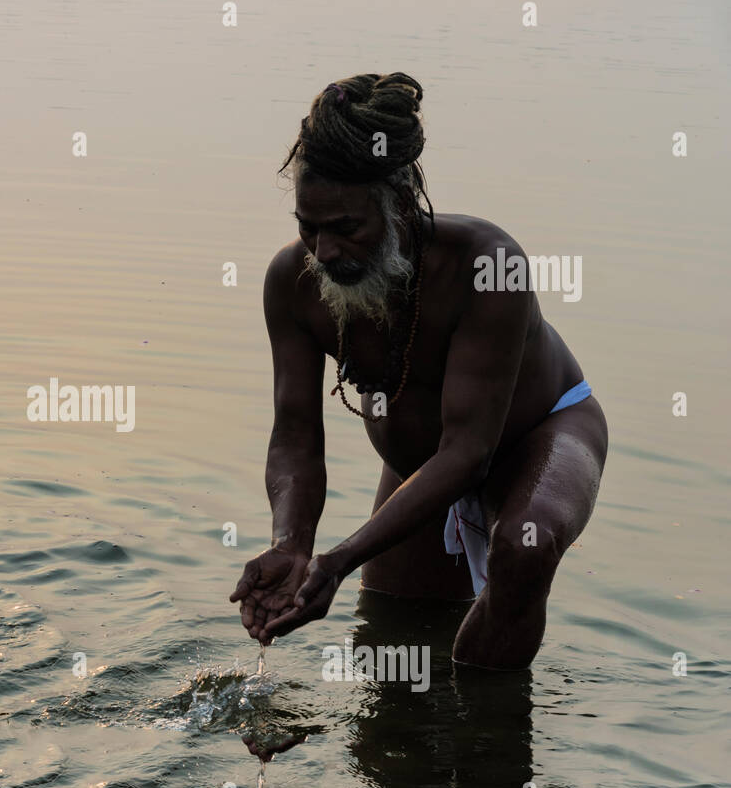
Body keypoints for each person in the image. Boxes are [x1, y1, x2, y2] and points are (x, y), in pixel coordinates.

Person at [230, 73, 607, 670]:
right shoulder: (291, 283)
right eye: (309, 225)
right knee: (390, 651)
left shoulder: (487, 263)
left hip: (536, 435)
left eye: (346, 228)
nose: (323, 251)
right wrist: (294, 544)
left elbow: (469, 453)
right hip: (419, 468)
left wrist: (340, 558)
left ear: (400, 204)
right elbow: (296, 435)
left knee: (520, 550)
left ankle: (487, 740)